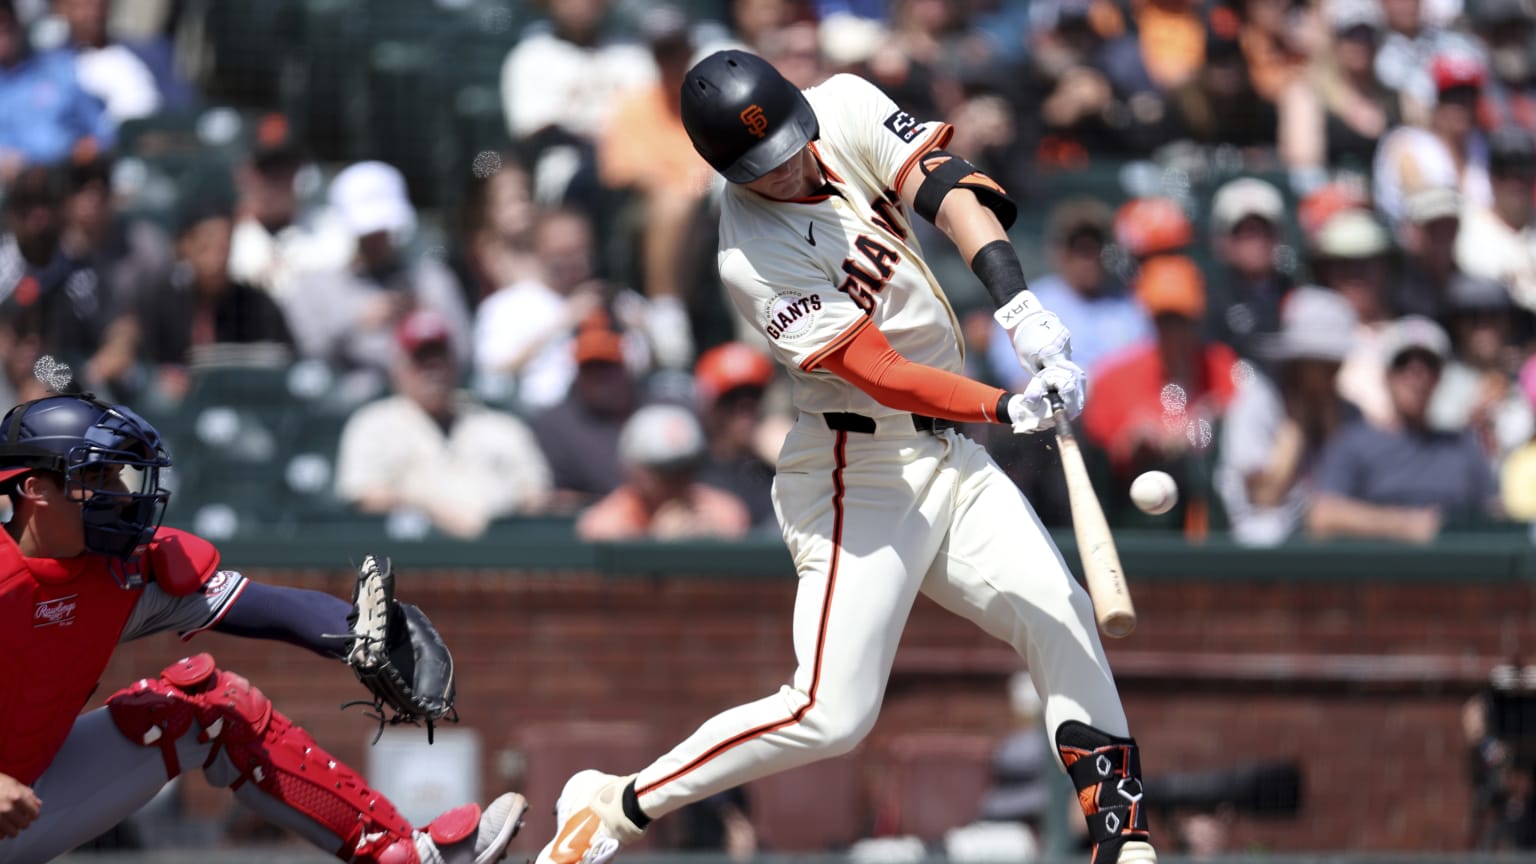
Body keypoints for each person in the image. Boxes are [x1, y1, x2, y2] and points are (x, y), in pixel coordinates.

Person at [532, 50, 1156, 864]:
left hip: (950, 456)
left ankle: (1125, 844)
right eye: (763, 164)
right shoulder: (748, 255)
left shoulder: (846, 104)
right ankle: (617, 803)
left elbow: (950, 189)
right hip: (854, 474)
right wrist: (1008, 407)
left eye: (791, 139)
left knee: (1063, 613)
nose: (788, 164)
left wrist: (1020, 306)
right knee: (832, 713)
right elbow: (883, 376)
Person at [0, 389, 526, 863]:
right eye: (97, 476)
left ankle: (405, 855)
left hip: (27, 798)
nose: (121, 490)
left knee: (211, 707)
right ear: (34, 489)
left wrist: (361, 633)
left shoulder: (119, 574)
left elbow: (261, 607)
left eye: (119, 474)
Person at [335, 309, 553, 539]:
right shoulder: (372, 424)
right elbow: (362, 495)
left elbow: (536, 496)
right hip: (414, 559)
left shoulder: (502, 427)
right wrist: (430, 508)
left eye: (439, 358)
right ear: (398, 369)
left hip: (500, 556)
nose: (433, 370)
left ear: (455, 363)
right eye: (421, 360)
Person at [282, 161, 471, 394]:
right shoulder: (315, 285)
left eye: (382, 230)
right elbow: (308, 356)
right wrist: (357, 321)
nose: (376, 239)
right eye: (367, 232)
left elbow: (462, 351)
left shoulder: (432, 280)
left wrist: (425, 321)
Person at [1308, 316, 1500, 541]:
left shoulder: (1464, 447)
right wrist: (1404, 525)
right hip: (1376, 571)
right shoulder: (1352, 443)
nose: (1416, 374)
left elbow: (1495, 515)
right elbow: (1323, 516)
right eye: (1403, 362)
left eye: (1429, 364)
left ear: (1439, 377)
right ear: (1386, 374)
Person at [1215, 286, 1359, 546]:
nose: (1333, 371)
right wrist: (1296, 427)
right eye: (1322, 363)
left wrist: (1332, 430)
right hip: (1261, 538)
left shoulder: (1347, 411)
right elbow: (1264, 496)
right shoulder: (1258, 398)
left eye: (1335, 362)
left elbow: (1351, 491)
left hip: (1329, 539)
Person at [575, 403, 751, 541]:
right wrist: (655, 544)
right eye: (664, 471)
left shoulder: (723, 511)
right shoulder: (606, 525)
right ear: (633, 470)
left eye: (686, 468)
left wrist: (710, 543)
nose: (677, 480)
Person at [0, 0, 112, 180]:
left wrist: (85, 151)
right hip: (12, 189)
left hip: (69, 177)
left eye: (6, 23)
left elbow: (100, 132)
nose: (2, 32)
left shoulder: (59, 69)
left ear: (18, 23)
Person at [531, 325, 639, 506]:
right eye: (589, 368)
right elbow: (556, 496)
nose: (598, 377)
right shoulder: (554, 425)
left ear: (625, 369)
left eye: (606, 367)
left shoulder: (653, 410)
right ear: (578, 374)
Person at [692, 341, 779, 529]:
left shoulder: (776, 461)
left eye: (754, 397)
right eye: (732, 399)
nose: (745, 410)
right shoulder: (693, 469)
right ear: (711, 407)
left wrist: (793, 458)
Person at [1205, 177, 1292, 361]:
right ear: (1222, 242)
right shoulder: (1207, 303)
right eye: (1243, 232)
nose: (1255, 242)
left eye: (1263, 231)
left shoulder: (1296, 296)